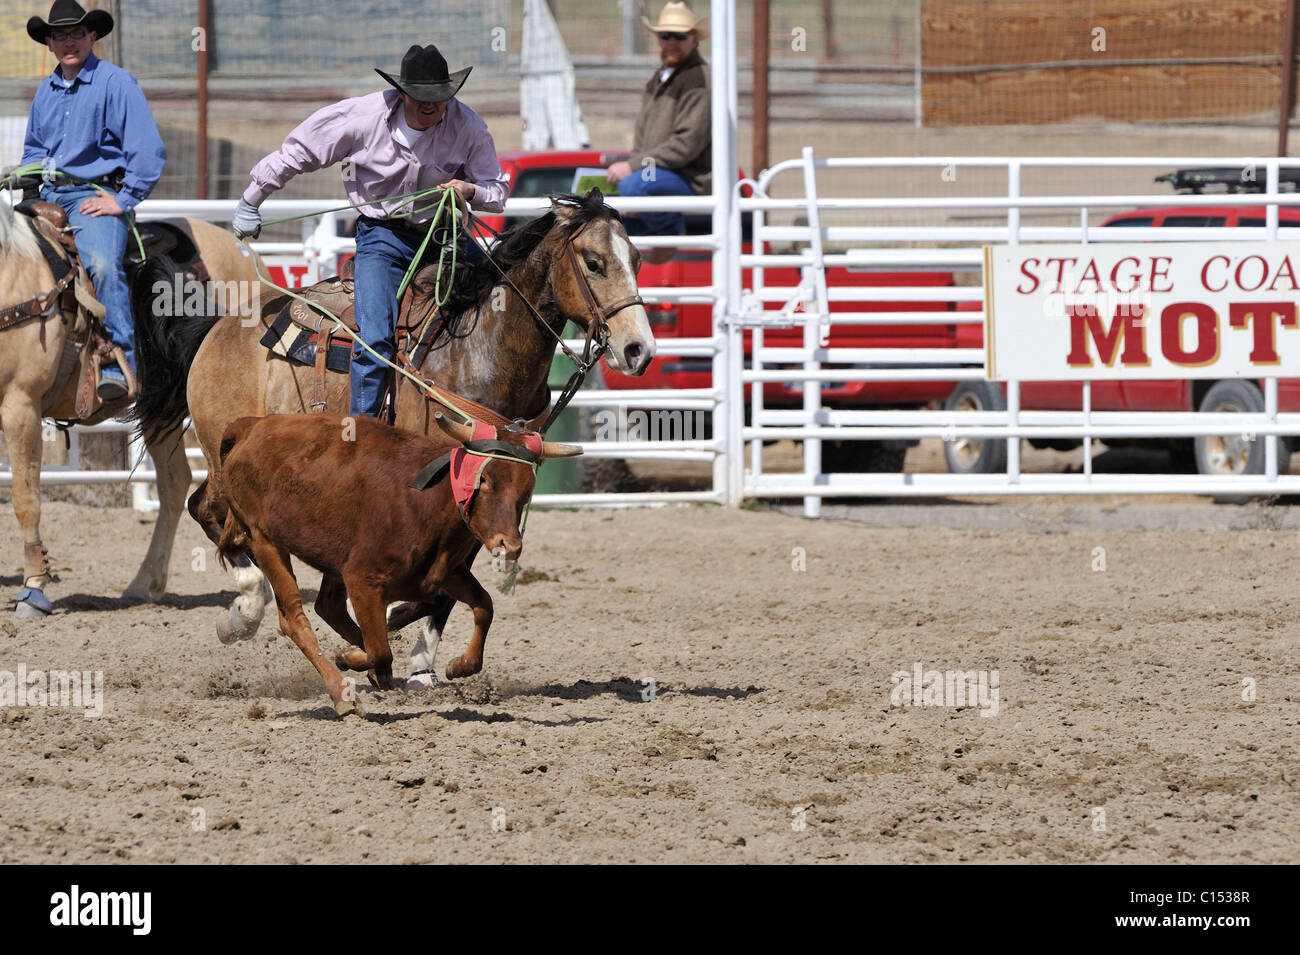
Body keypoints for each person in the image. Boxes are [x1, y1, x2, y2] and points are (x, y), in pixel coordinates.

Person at [234, 44, 508, 420]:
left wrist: (469, 190)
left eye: (440, 98)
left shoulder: (468, 125)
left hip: (444, 236)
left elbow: (497, 191)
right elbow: (298, 153)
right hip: (383, 239)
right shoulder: (361, 118)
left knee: (508, 297)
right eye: (422, 98)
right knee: (376, 336)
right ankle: (362, 432)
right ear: (402, 93)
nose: (431, 106)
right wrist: (252, 200)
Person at [20, 0, 167, 401]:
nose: (69, 42)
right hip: (47, 195)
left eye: (76, 34)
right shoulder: (45, 91)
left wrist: (123, 199)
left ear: (92, 37)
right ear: (49, 43)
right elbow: (34, 150)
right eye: (60, 35)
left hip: (93, 197)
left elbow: (148, 151)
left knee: (102, 265)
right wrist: (30, 193)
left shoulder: (117, 84)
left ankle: (119, 360)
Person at [605, 1, 710, 241]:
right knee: (606, 227)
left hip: (689, 179)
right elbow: (645, 138)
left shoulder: (698, 79)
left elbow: (686, 144)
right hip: (659, 173)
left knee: (634, 187)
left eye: (679, 36)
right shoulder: (662, 76)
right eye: (665, 35)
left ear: (693, 38)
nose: (671, 42)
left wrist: (632, 167)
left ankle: (671, 233)